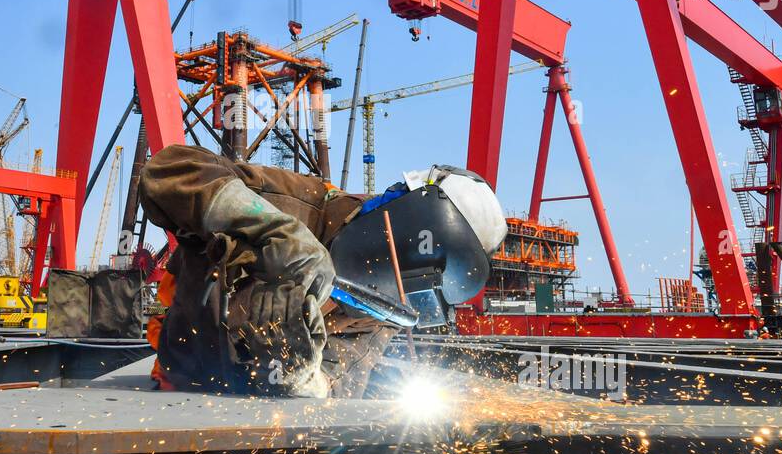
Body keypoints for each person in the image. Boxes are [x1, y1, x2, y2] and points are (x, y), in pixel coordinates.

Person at [139, 144, 507, 399]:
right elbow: (166, 170)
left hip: (235, 408)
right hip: (177, 379)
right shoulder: (303, 201)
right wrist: (275, 229)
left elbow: (335, 385)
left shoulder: (377, 315)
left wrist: (303, 377)